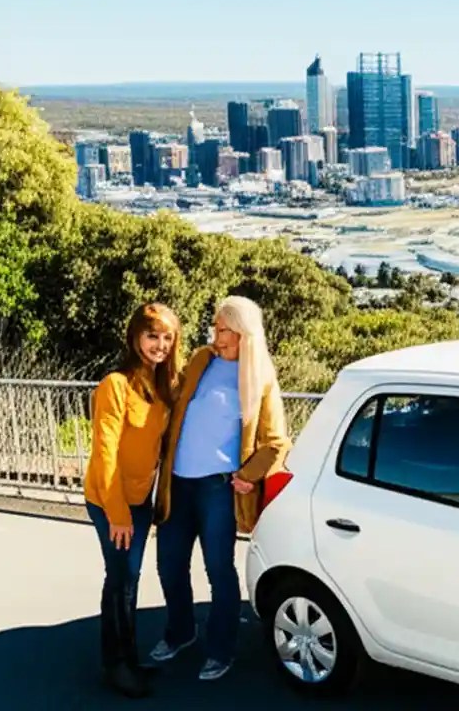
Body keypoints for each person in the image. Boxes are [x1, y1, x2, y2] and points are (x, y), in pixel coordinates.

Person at [149, 295, 292, 681]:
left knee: (218, 571)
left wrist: (249, 474)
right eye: (215, 327)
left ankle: (221, 649)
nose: (217, 335)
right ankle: (180, 632)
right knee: (169, 565)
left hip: (218, 490)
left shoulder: (261, 379)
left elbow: (277, 441)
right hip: (177, 483)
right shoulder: (202, 360)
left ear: (244, 333)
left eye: (224, 328)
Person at [83, 302, 182, 699]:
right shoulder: (116, 385)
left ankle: (127, 657)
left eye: (166, 337)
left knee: (128, 578)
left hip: (140, 500)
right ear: (135, 337)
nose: (159, 345)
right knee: (121, 578)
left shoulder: (163, 387)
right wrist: (118, 514)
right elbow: (104, 453)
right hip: (111, 500)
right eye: (151, 335)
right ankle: (115, 665)